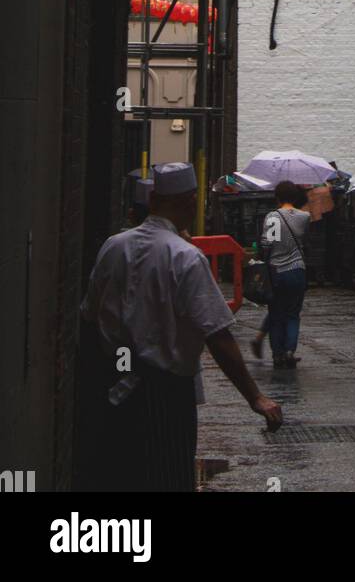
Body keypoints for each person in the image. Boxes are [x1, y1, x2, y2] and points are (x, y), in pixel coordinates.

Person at [80, 161, 282, 492]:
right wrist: (255, 396)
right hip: (166, 391)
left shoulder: (113, 247)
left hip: (112, 382)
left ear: (155, 198)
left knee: (119, 476)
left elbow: (88, 315)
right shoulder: (186, 258)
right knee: (167, 478)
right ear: (189, 202)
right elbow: (217, 334)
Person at [251, 181, 310, 369]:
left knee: (276, 314)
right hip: (298, 270)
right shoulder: (304, 216)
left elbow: (268, 244)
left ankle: (277, 355)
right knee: (293, 314)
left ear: (276, 197)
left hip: (276, 271)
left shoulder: (273, 217)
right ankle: (290, 351)